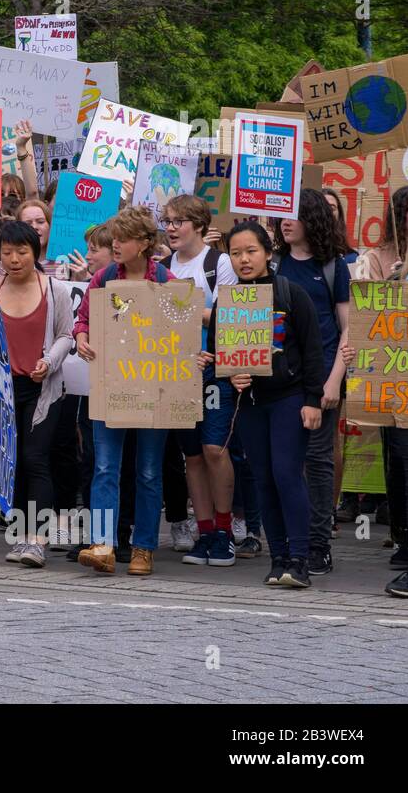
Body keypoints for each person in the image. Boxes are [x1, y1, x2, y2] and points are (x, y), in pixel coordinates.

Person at [202, 220, 323, 588]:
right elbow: (220, 352)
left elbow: (314, 351)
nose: (243, 259)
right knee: (264, 480)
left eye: (251, 251)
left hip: (288, 399)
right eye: (235, 253)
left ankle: (300, 558)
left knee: (287, 474)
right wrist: (227, 374)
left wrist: (313, 400)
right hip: (251, 405)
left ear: (268, 253)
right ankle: (279, 558)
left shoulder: (291, 294)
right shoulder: (228, 300)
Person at [72, 206, 173, 576]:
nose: (115, 244)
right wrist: (82, 338)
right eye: (114, 237)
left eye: (123, 238)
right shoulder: (101, 278)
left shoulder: (164, 278)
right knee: (104, 468)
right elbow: (82, 318)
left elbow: (181, 325)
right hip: (111, 384)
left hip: (153, 388)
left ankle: (143, 547)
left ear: (144, 243)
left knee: (147, 470)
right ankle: (104, 545)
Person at [0, 221, 75, 568]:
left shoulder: (54, 289)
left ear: (35, 252)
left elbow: (67, 335)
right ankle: (19, 535)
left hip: (43, 388)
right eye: (7, 252)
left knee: (36, 458)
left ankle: (38, 540)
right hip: (2, 390)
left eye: (22, 251)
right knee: (11, 462)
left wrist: (49, 361)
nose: (14, 259)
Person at [272, 188, 350, 576]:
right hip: (280, 383)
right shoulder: (273, 264)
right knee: (284, 464)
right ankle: (287, 541)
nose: (286, 221)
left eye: (294, 214)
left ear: (313, 219)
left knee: (318, 462)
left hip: (321, 379)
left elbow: (347, 331)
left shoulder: (334, 266)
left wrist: (332, 382)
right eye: (282, 214)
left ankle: (318, 544)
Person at [160, 194, 239, 567]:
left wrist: (186, 310)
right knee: (190, 455)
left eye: (178, 221)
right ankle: (204, 532)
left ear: (199, 225)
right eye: (167, 221)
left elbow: (230, 317)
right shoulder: (163, 266)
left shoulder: (217, 263)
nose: (171, 228)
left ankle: (225, 531)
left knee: (214, 450)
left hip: (215, 369)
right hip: (178, 372)